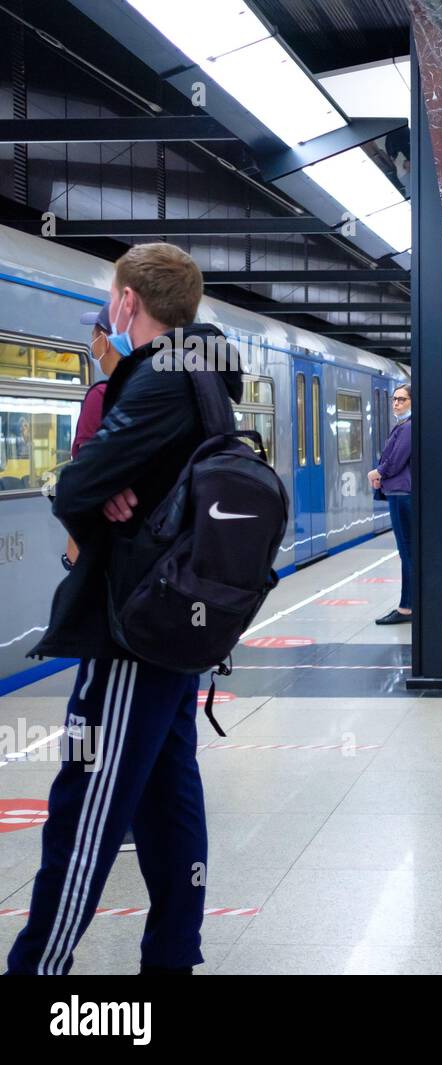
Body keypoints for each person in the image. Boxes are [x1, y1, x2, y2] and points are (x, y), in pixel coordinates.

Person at [8, 243, 240, 975]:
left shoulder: (159, 379)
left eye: (114, 299)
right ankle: (172, 955)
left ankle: (36, 967)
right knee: (169, 800)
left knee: (85, 808)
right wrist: (97, 480)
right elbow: (101, 480)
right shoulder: (203, 370)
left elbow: (78, 487)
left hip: (133, 629)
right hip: (170, 626)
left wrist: (86, 482)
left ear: (128, 303)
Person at [64, 305, 124, 569]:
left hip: (105, 551)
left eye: (94, 334)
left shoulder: (101, 396)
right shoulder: (152, 391)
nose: (92, 343)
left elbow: (86, 484)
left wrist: (73, 557)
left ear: (108, 340)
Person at [369, 384, 414, 624]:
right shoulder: (404, 426)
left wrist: (378, 472)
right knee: (407, 550)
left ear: (412, 402)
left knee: (406, 551)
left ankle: (407, 607)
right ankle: (408, 603)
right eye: (394, 400)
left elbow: (396, 460)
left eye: (402, 400)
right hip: (399, 492)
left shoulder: (407, 428)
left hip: (402, 494)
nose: (396, 404)